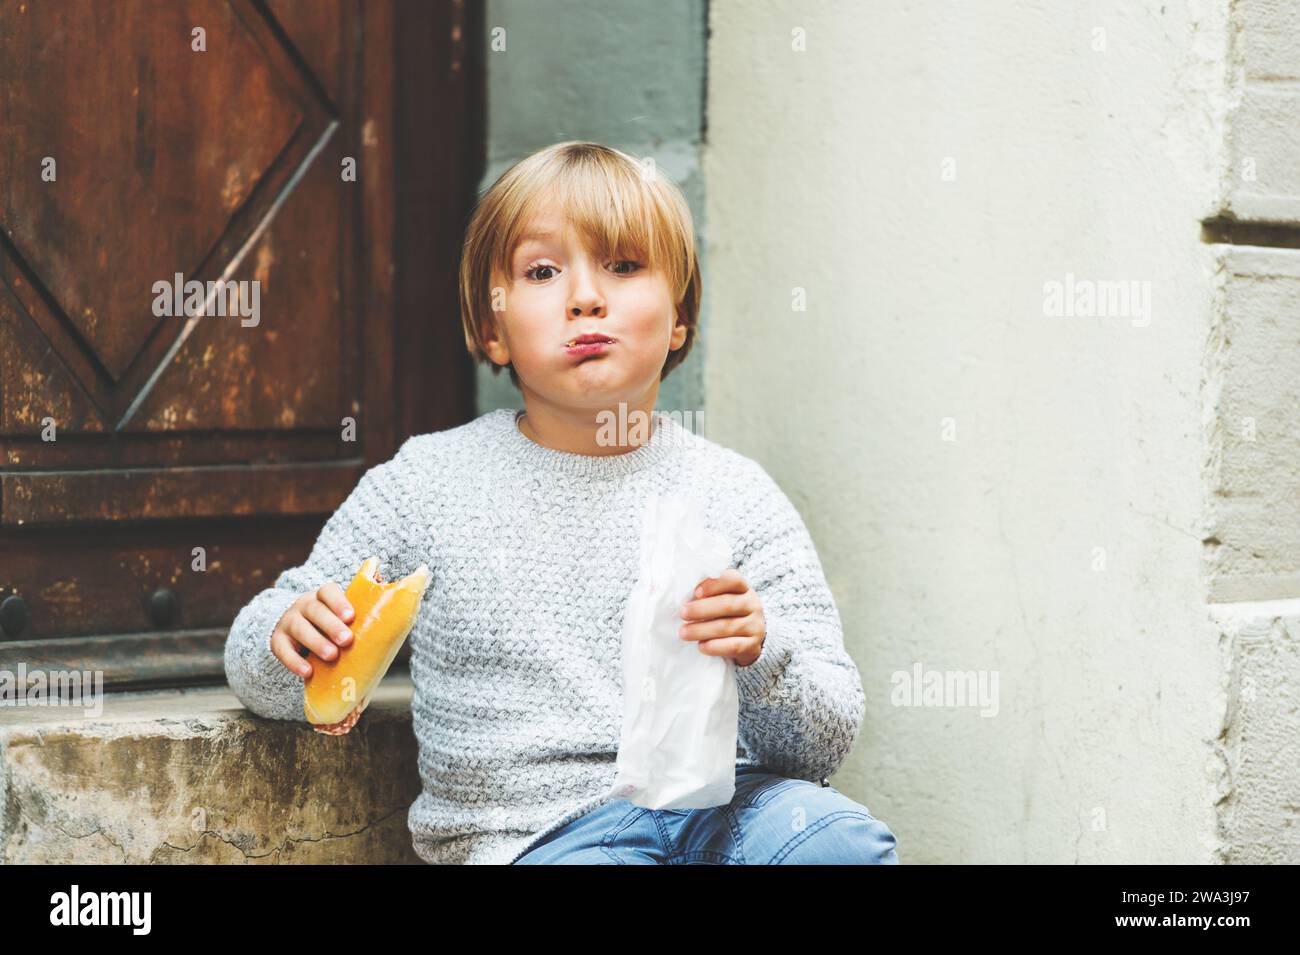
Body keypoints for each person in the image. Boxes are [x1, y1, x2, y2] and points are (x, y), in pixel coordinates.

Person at [223, 141, 899, 864]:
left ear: (678, 318)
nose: (584, 297)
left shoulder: (736, 494)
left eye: (624, 265)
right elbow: (259, 648)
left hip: (727, 805)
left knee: (836, 842)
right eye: (542, 272)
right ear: (492, 328)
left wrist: (762, 652)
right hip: (544, 836)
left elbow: (828, 732)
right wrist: (289, 637)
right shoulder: (427, 483)